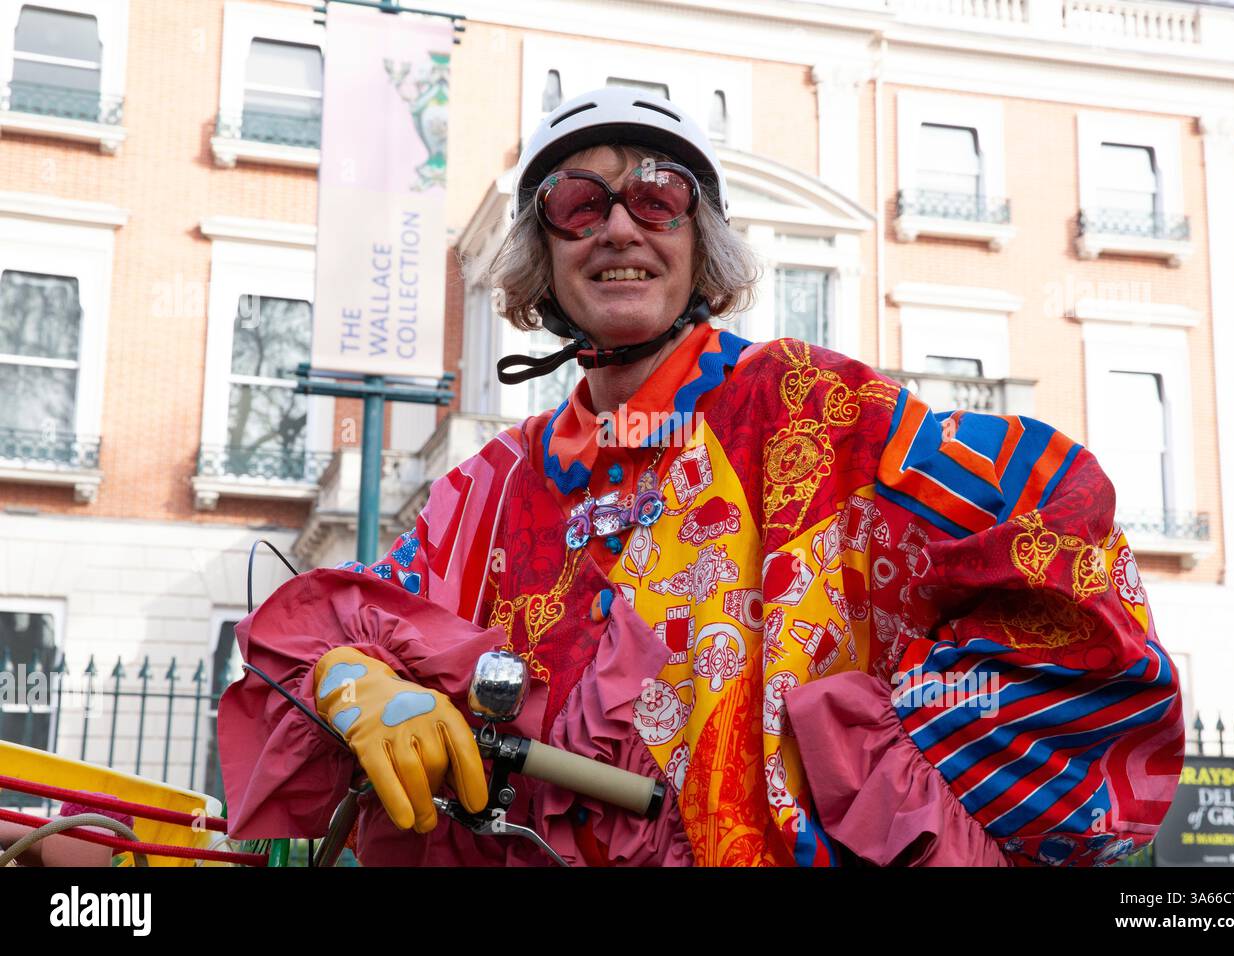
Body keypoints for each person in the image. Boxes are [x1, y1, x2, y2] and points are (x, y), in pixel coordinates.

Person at [218, 87, 1184, 867]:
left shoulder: (813, 409)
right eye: (576, 205)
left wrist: (857, 762)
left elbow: (1059, 535)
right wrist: (353, 678)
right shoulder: (487, 487)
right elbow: (339, 625)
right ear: (540, 259)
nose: (619, 229)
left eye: (658, 198)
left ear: (700, 242)